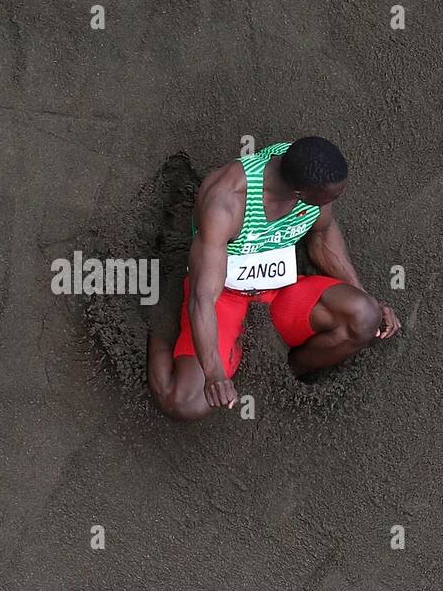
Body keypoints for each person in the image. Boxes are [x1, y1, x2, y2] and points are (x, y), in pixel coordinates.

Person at [147, 137, 398, 420]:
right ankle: (159, 323)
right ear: (300, 192)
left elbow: (323, 235)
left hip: (280, 291)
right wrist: (214, 373)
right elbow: (202, 297)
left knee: (365, 315)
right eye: (329, 199)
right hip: (223, 296)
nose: (333, 202)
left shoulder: (309, 168)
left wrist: (365, 295)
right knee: (184, 403)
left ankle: (282, 371)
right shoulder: (226, 202)